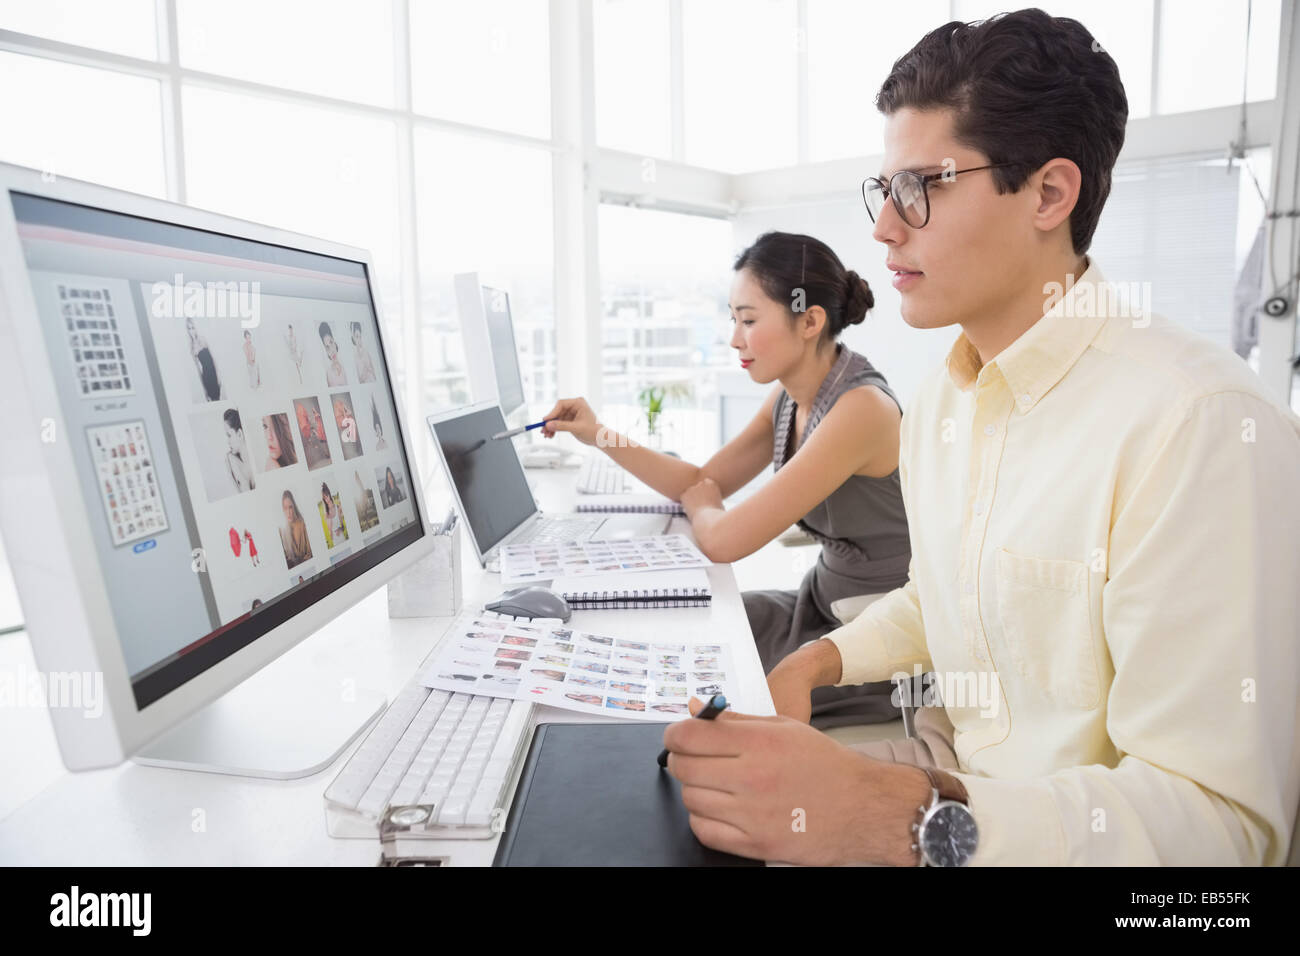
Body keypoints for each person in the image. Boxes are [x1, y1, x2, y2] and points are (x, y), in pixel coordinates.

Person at [659, 9, 1300, 867]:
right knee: (673, 807)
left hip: (1016, 835)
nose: (885, 228)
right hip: (952, 772)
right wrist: (817, 664)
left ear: (1047, 193)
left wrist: (908, 822)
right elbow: (944, 598)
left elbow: (1226, 832)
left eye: (923, 186)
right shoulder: (944, 404)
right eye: (884, 190)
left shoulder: (1198, 425)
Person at [543, 231, 910, 726]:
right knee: (684, 645)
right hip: (818, 607)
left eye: (750, 320)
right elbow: (701, 479)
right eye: (733, 320)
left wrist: (703, 505)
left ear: (809, 321)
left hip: (870, 640)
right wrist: (597, 435)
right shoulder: (791, 397)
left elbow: (724, 539)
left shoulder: (861, 409)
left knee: (704, 696)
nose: (735, 338)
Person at [222, 409, 256, 494]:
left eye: (229, 435)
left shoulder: (255, 464)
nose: (228, 441)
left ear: (240, 434)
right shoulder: (232, 460)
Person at [187, 317, 220, 401]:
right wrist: (204, 389)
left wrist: (218, 377)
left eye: (193, 327)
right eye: (189, 328)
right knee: (212, 400)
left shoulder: (203, 339)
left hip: (213, 374)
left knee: (218, 398)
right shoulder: (192, 347)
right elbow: (199, 369)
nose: (191, 331)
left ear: (196, 328)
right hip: (206, 377)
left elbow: (213, 358)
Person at [279, 490, 312, 569]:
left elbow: (309, 554)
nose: (288, 512)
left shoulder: (302, 524)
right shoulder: (281, 531)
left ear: (294, 507)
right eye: (285, 508)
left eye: (290, 507)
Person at [319, 482, 348, 547]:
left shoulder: (337, 507)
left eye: (327, 495)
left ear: (329, 494)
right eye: (324, 497)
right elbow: (331, 536)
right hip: (335, 542)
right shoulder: (326, 514)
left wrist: (340, 529)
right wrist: (331, 532)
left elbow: (343, 527)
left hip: (342, 538)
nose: (326, 498)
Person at [319, 321, 347, 387]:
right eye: (327, 347)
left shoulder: (346, 366)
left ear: (334, 341)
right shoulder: (329, 374)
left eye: (331, 342)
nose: (331, 350)